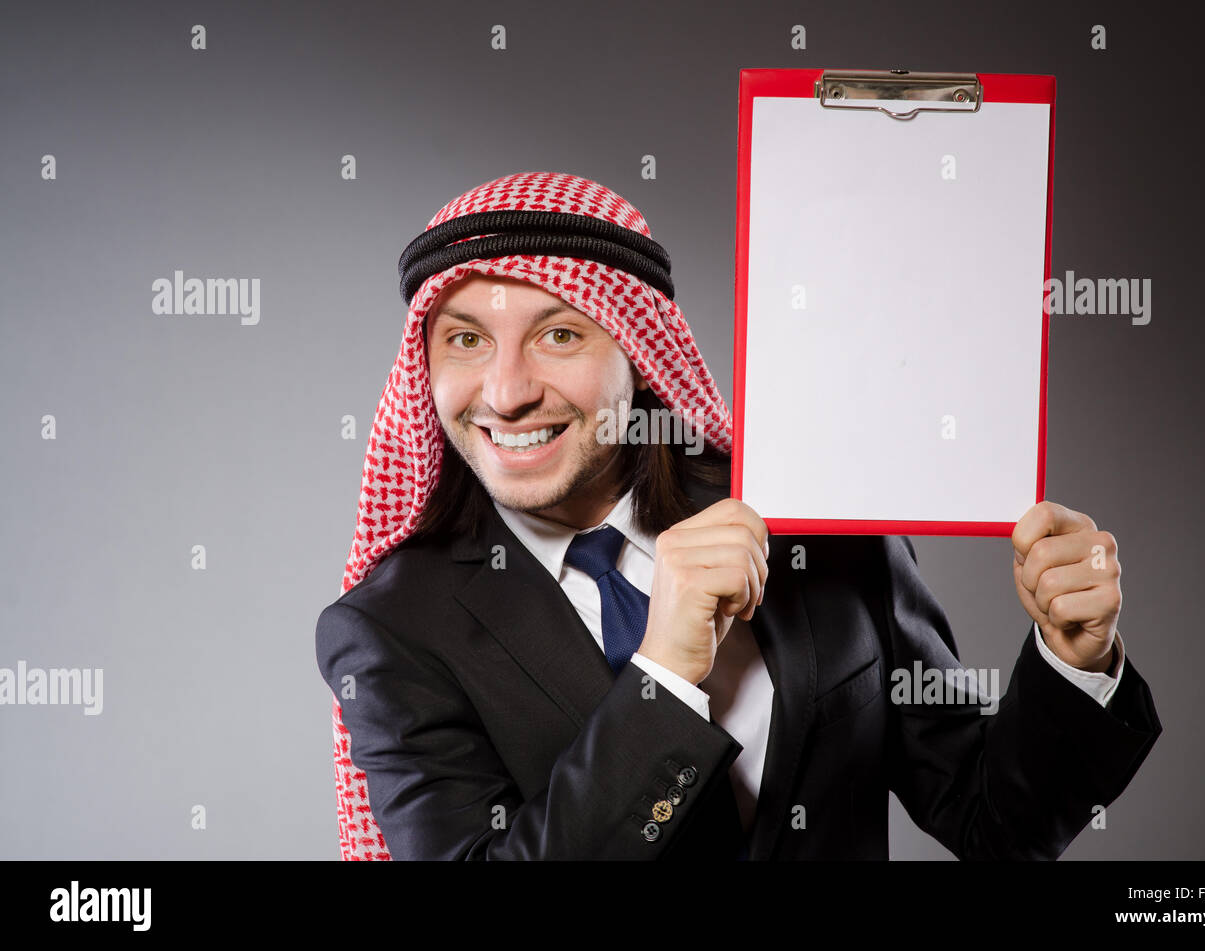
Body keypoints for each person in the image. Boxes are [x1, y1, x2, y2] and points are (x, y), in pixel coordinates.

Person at [315, 171, 1161, 860]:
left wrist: (1073, 660)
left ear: (640, 354)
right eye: (465, 339)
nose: (506, 390)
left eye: (560, 335)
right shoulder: (393, 630)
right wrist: (667, 674)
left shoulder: (815, 515)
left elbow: (993, 824)